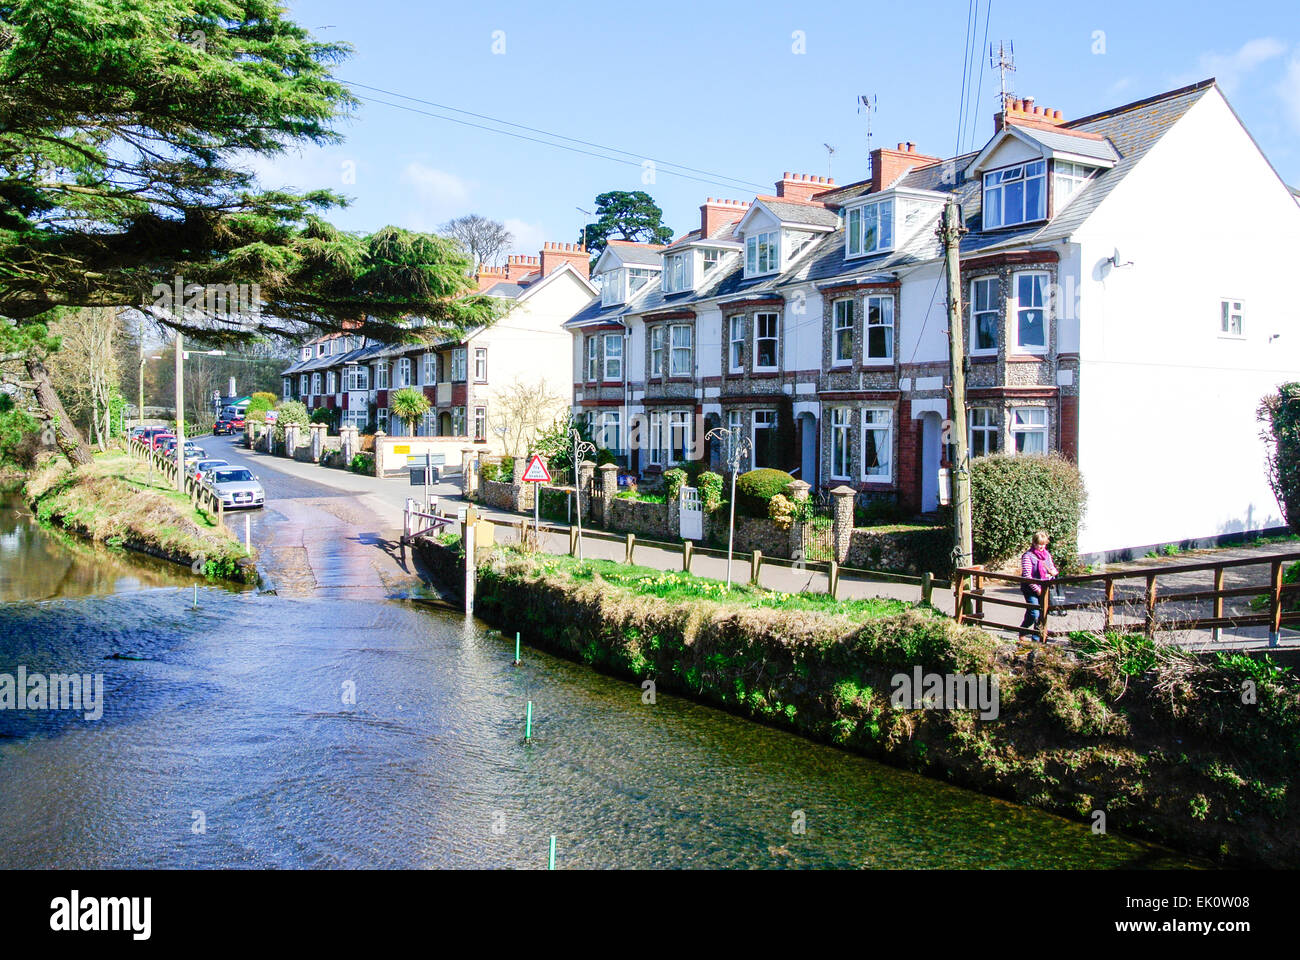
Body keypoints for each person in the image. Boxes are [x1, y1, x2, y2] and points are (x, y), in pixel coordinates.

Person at [1019, 530, 1058, 640]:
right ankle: (1026, 632)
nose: (1041, 546)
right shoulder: (1027, 556)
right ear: (1034, 543)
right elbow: (1027, 575)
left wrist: (1053, 572)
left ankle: (1034, 638)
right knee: (1034, 613)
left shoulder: (1047, 555)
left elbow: (1051, 567)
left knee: (1039, 614)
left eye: (1043, 544)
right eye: (1039, 544)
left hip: (1044, 588)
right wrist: (1037, 589)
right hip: (1030, 589)